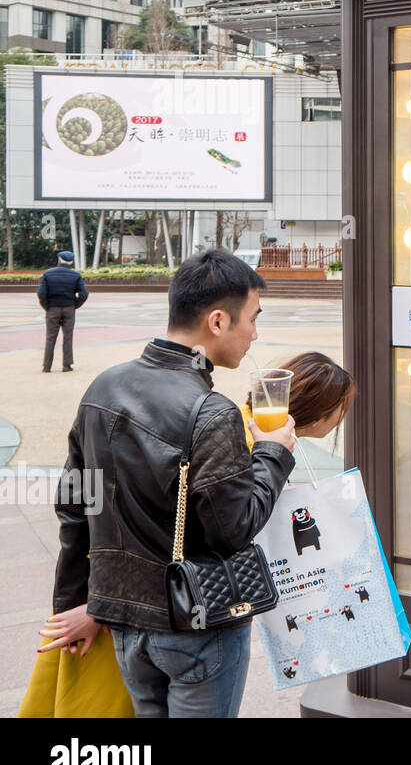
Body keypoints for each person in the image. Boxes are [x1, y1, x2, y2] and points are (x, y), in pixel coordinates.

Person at [25, 346, 358, 718]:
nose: (254, 333)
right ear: (325, 412)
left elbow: (83, 506)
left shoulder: (214, 418)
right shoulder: (232, 431)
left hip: (130, 613)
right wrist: (92, 607)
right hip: (185, 619)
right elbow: (206, 529)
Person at [49, 249, 296, 718]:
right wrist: (273, 453)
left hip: (125, 623)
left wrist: (78, 603)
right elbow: (232, 529)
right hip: (197, 624)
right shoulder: (212, 411)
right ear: (218, 321)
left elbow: (75, 506)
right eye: (253, 318)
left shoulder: (103, 388)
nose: (255, 334)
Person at [38, 250, 88, 372]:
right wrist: (75, 305)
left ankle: (47, 366)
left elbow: (41, 293)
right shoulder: (75, 275)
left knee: (50, 337)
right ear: (71, 262)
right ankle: (67, 365)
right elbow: (84, 294)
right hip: (69, 308)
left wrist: (47, 306)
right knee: (68, 337)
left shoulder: (48, 274)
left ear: (59, 259)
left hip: (52, 309)